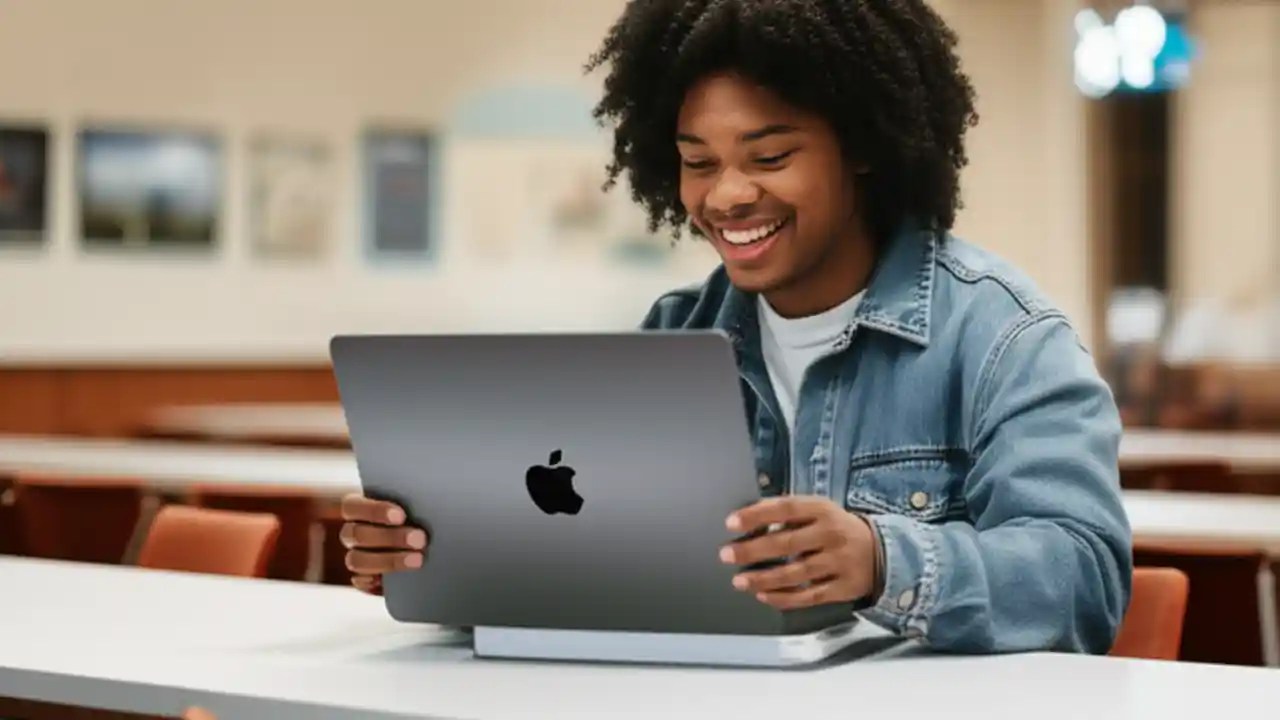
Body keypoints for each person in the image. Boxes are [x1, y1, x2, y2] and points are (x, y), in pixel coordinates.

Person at [341, 0, 1132, 654]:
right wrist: (437, 563)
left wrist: (881, 559)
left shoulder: (1003, 338)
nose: (726, 197)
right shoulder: (674, 336)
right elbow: (600, 570)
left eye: (771, 155)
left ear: (860, 146)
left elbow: (1084, 579)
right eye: (698, 161)